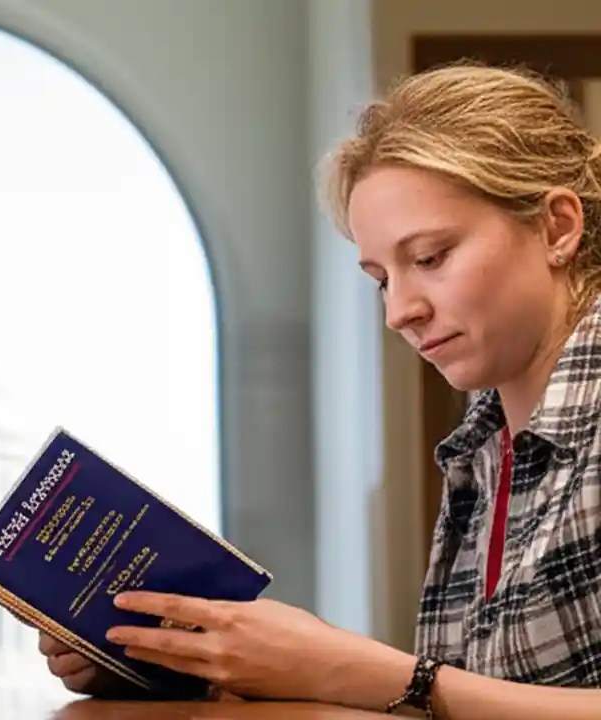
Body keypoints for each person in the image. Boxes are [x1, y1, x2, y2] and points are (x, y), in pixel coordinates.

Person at [39, 63, 601, 719]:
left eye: (430, 257)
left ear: (558, 227)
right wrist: (207, 667)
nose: (400, 312)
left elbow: (434, 693)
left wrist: (392, 677)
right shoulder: (484, 448)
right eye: (381, 278)